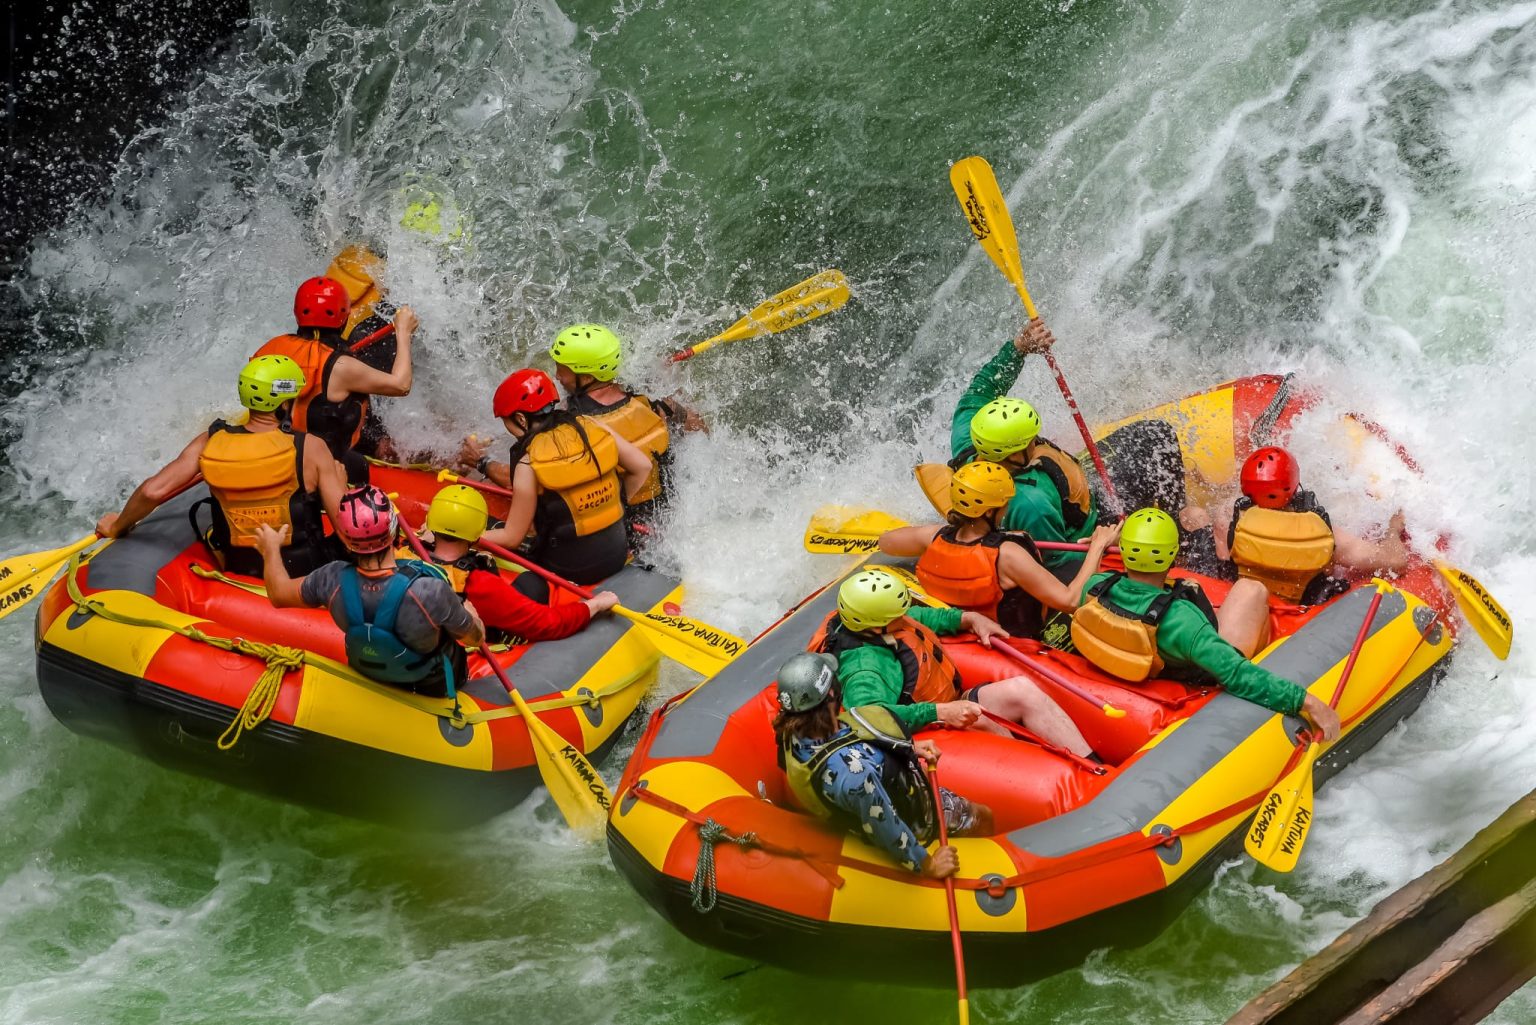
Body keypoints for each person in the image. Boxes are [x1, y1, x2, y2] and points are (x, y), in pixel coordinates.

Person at [1070, 508, 1341, 740]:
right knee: (1251, 589)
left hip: (1147, 667)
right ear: (1174, 555)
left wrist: (1100, 545)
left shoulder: (1094, 587)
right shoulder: (1180, 619)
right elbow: (1237, 675)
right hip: (1196, 680)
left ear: (1123, 551)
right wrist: (1308, 702)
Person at [810, 568, 1100, 759]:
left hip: (948, 704)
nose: (905, 616)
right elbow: (868, 716)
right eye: (897, 615)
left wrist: (968, 618)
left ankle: (1093, 765)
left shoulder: (879, 622)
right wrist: (941, 711)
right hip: (925, 732)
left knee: (1022, 689)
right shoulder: (865, 668)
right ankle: (1064, 781)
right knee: (987, 722)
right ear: (875, 628)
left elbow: (919, 619)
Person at [95, 356, 344, 577]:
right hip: (305, 570)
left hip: (241, 567)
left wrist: (118, 526)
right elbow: (347, 527)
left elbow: (153, 492)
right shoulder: (310, 447)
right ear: (284, 404)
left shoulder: (211, 439)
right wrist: (341, 487)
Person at [773, 652, 993, 879]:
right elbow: (885, 823)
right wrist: (927, 865)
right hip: (913, 813)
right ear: (830, 693)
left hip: (878, 786)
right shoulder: (853, 776)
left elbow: (850, 737)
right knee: (983, 816)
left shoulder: (795, 733)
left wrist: (907, 746)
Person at [254, 485, 485, 696]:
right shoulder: (430, 591)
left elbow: (278, 594)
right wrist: (471, 614)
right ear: (394, 532)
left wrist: (271, 549)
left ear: (344, 539)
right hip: (429, 685)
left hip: (367, 673)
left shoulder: (330, 578)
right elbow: (475, 638)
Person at [878, 460, 1121, 640]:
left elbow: (886, 541)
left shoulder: (932, 537)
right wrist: (1098, 547)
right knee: (1100, 577)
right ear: (989, 512)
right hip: (1019, 634)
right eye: (1004, 503)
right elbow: (1069, 602)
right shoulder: (1007, 555)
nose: (1007, 507)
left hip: (965, 618)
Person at [459, 369, 653, 586]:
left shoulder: (528, 462)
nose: (508, 428)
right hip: (617, 555)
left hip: (569, 570)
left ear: (521, 419)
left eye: (507, 421)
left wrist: (458, 537)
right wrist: (614, 502)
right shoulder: (590, 425)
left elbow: (512, 537)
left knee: (492, 532)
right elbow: (642, 466)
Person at [945, 320, 1100, 575]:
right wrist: (1101, 544)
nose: (1035, 441)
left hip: (1059, 502)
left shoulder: (967, 439)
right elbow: (1059, 566)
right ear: (1017, 452)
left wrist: (1019, 348)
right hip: (1082, 533)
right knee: (1156, 435)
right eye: (1031, 438)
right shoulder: (1030, 503)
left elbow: (983, 387)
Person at [253, 276, 418, 484]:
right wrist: (403, 332)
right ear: (344, 317)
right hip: (324, 464)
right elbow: (401, 385)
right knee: (358, 464)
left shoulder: (270, 349)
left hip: (274, 455)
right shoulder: (341, 366)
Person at [549, 323, 705, 533]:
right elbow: (698, 426)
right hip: (667, 513)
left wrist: (487, 465)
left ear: (587, 378)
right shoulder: (650, 401)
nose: (557, 376)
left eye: (562, 370)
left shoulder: (572, 421)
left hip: (623, 527)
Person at [416, 483, 620, 642]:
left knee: (530, 582)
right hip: (466, 637)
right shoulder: (482, 585)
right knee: (532, 585)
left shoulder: (407, 554)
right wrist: (594, 604)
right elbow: (548, 623)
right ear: (479, 532)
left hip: (425, 636)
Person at [1216, 447, 1410, 605]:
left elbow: (1224, 561)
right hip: (1298, 612)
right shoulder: (1323, 536)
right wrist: (1392, 530)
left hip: (1244, 603)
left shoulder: (1228, 523)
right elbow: (1396, 562)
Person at [323, 245, 399, 460]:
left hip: (320, 425)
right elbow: (397, 387)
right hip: (351, 441)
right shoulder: (374, 330)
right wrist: (379, 439)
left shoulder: (319, 319)